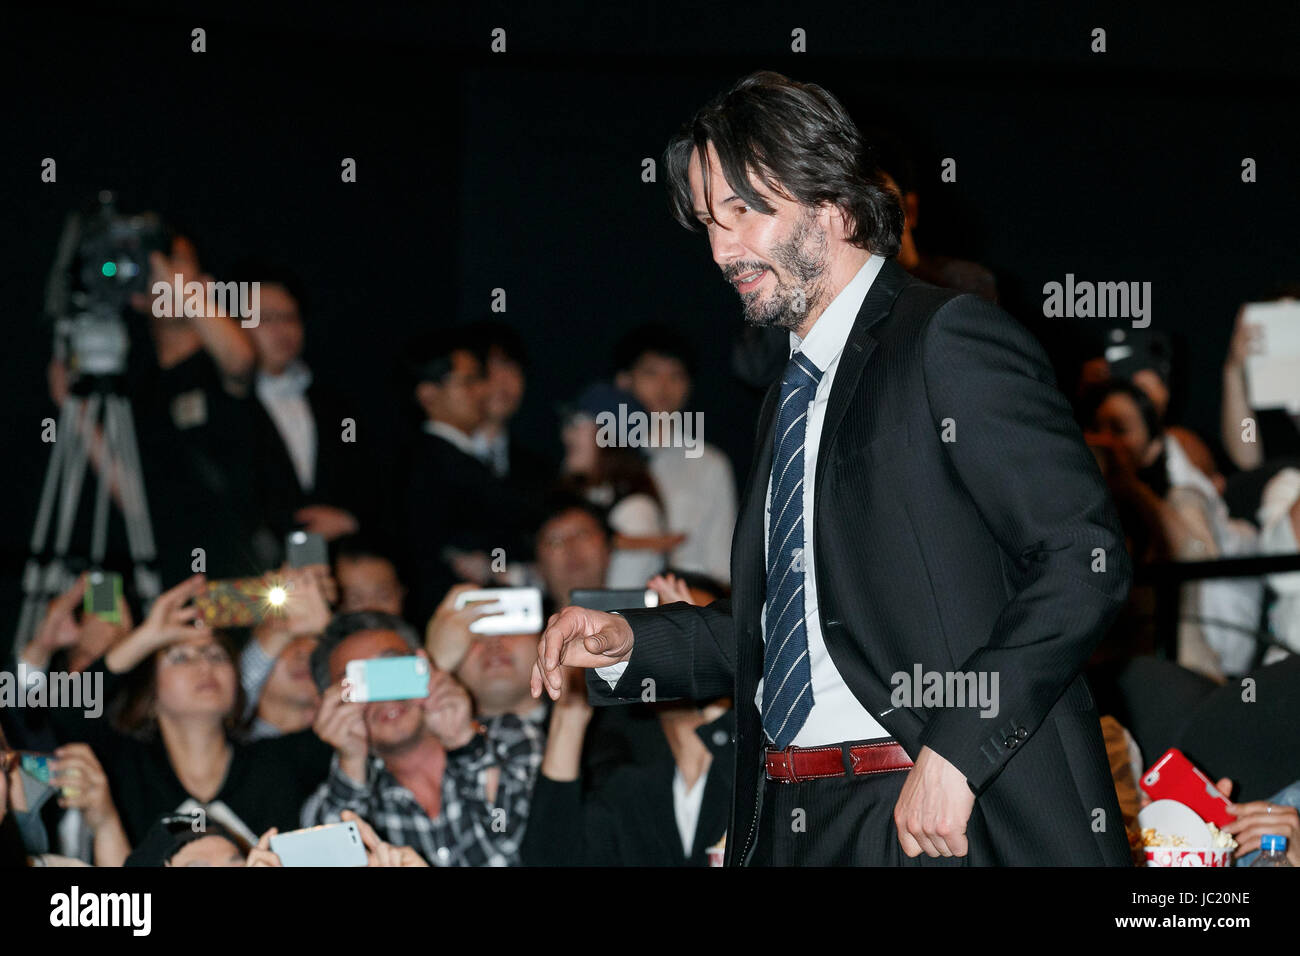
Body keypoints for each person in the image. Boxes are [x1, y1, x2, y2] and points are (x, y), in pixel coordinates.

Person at [533, 71, 1133, 866]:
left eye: (744, 212)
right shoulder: (787, 395)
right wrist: (628, 644)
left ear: (836, 206)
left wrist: (959, 750)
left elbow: (1082, 559)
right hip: (793, 813)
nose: (722, 250)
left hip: (933, 811)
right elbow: (788, 632)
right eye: (709, 223)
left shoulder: (947, 338)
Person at [13, 574, 332, 847]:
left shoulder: (280, 761)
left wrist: (327, 630)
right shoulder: (122, 768)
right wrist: (145, 638)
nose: (205, 666)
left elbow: (351, 721)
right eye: (181, 658)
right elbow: (63, 712)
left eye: (216, 656)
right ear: (150, 693)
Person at [301, 610, 533, 865]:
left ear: (426, 666)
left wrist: (465, 744)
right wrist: (351, 762)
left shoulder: (509, 739)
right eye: (360, 683)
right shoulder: (332, 804)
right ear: (329, 705)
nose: (385, 695)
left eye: (394, 671)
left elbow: (513, 834)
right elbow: (334, 861)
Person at [402, 332, 541, 621]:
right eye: (469, 382)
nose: (483, 391)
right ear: (428, 394)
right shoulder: (433, 463)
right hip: (457, 620)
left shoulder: (461, 461)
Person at [236, 258, 370, 549]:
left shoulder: (334, 405)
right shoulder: (224, 405)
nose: (282, 329)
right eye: (265, 318)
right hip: (252, 563)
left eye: (290, 317)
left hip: (332, 559)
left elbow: (370, 483)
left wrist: (350, 520)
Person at [613, 324, 737, 583]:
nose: (664, 386)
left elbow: (721, 562)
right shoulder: (600, 455)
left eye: (676, 375)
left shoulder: (709, 465)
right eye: (651, 373)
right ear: (623, 381)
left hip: (686, 598)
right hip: (607, 598)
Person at [559, 383, 675, 588]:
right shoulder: (589, 496)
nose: (566, 434)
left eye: (577, 423)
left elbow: (619, 601)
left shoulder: (635, 512)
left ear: (610, 436)